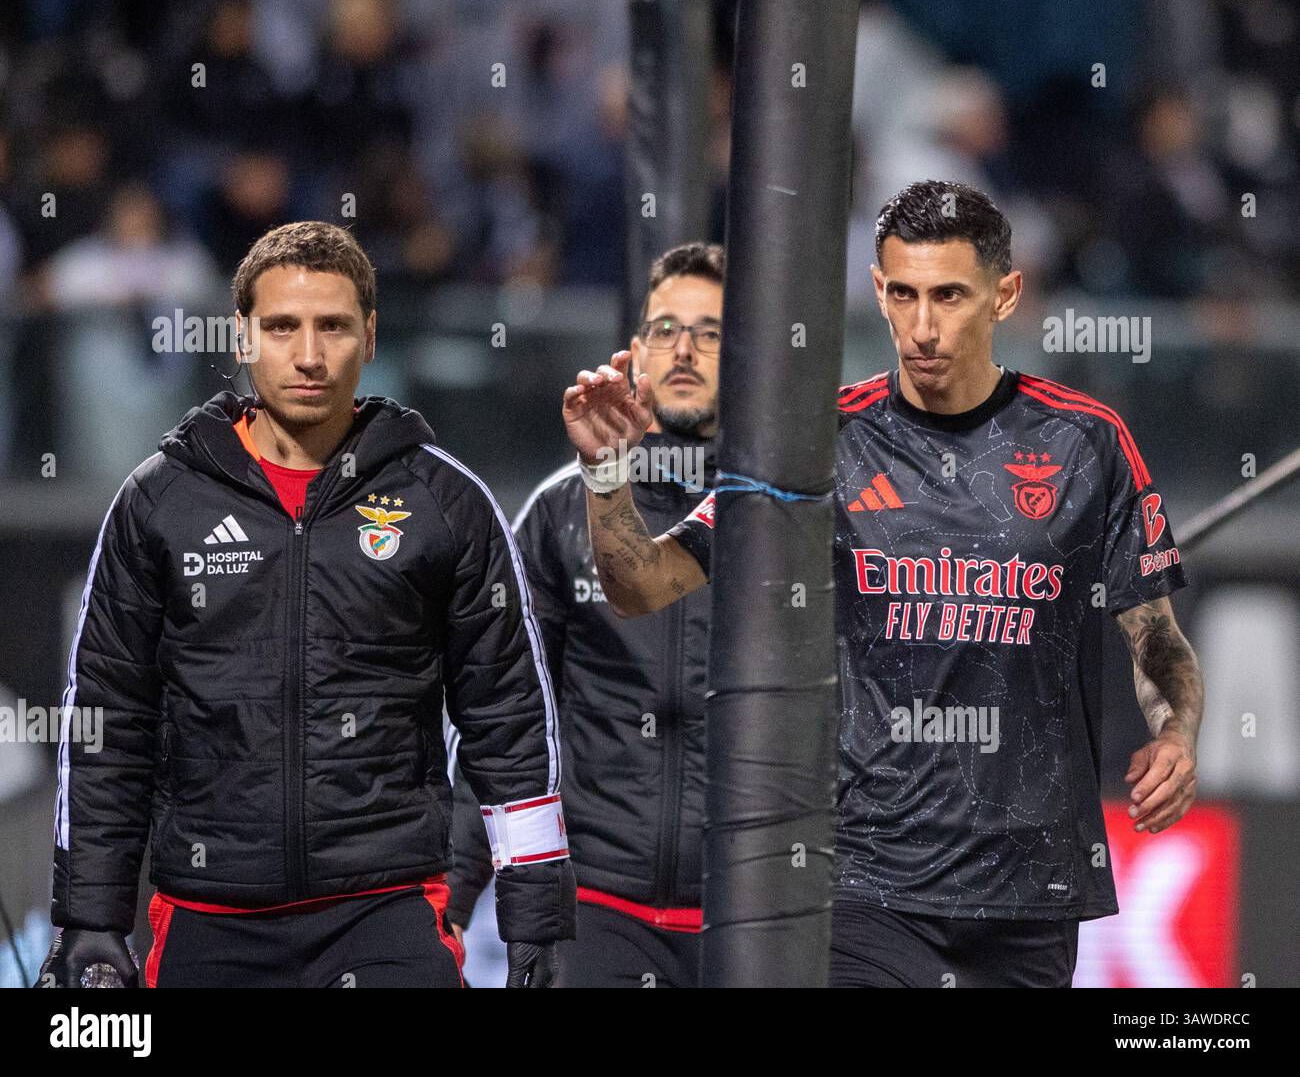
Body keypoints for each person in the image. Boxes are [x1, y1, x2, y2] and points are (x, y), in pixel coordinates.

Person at [561, 181, 1204, 987]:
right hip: (866, 884)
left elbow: (1155, 636)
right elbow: (641, 584)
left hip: (1029, 891)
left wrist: (1175, 733)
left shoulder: (1088, 443)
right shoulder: (820, 440)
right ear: (877, 288)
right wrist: (606, 472)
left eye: (949, 296)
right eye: (903, 294)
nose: (922, 327)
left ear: (1006, 294)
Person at [39, 221, 574, 989]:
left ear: (372, 334)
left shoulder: (444, 501)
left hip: (386, 909)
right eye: (283, 326)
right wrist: (91, 917)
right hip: (208, 910)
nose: (310, 355)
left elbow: (510, 720)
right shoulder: (159, 501)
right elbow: (108, 717)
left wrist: (537, 916)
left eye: (334, 326)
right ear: (242, 335)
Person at [448, 242, 722, 987]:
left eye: (710, 333)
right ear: (636, 351)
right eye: (665, 330)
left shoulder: (784, 514)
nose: (685, 350)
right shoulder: (558, 514)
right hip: (594, 907)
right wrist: (452, 896)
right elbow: (502, 717)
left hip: (754, 913)